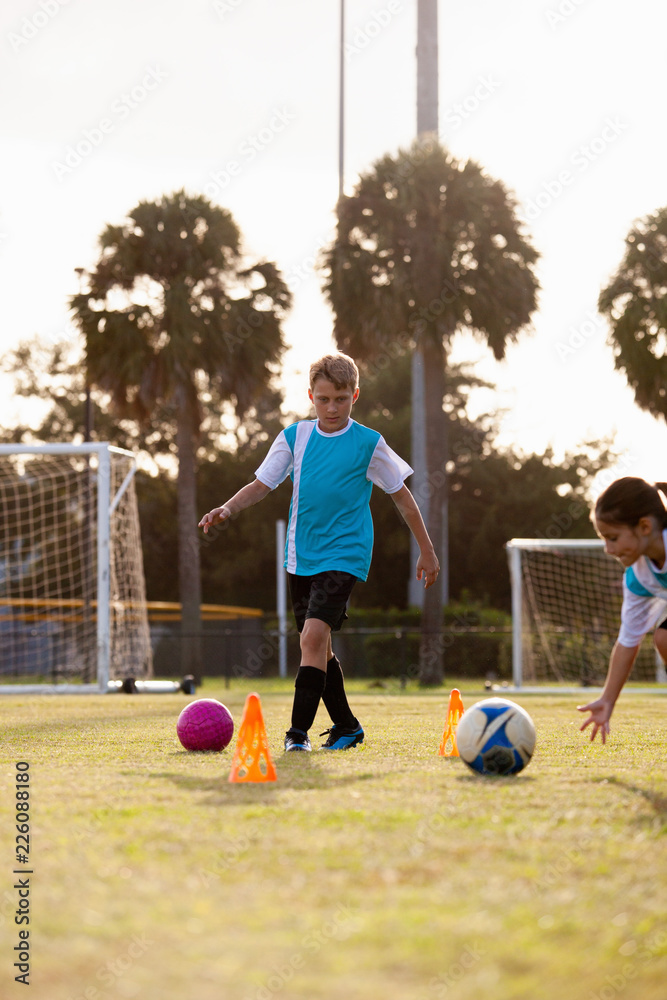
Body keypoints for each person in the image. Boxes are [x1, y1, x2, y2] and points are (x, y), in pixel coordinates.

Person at [199, 352, 440, 752]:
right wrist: (227, 508)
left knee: (311, 638)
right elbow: (261, 484)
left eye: (341, 399)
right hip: (300, 556)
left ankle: (297, 735)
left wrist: (427, 550)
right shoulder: (294, 437)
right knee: (318, 647)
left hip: (346, 553)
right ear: (311, 396)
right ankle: (347, 726)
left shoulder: (369, 443)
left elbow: (403, 498)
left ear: (355, 395)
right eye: (324, 399)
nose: (332, 407)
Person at [578, 477, 667, 743]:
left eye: (613, 538)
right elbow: (628, 641)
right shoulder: (638, 577)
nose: (608, 549)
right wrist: (607, 699)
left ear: (644, 526)